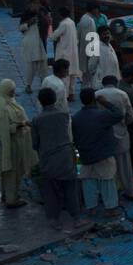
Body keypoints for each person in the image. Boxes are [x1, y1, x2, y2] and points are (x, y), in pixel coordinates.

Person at [0, 79, 35, 208]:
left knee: (6, 171)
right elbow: (7, 129)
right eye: (12, 91)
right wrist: (21, 124)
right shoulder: (4, 107)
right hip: (11, 144)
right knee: (12, 172)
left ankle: (5, 195)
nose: (13, 93)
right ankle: (11, 199)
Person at [30, 86, 80, 228]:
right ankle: (76, 218)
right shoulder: (64, 115)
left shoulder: (37, 120)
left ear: (40, 101)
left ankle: (54, 219)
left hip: (48, 159)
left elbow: (35, 144)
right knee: (71, 188)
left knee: (50, 191)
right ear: (55, 99)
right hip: (66, 157)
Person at [72, 88, 124, 215]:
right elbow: (119, 114)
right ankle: (110, 208)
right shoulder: (101, 115)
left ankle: (91, 208)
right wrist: (106, 103)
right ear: (94, 99)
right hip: (103, 153)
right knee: (107, 180)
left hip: (84, 154)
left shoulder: (76, 117)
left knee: (88, 181)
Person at [95, 74, 133, 200]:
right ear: (115, 83)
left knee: (105, 167)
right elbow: (130, 116)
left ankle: (108, 194)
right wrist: (124, 124)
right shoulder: (122, 94)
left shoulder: (96, 94)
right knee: (124, 165)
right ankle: (129, 191)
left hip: (103, 134)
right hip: (121, 132)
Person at [50, 8, 81, 99]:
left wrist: (56, 38)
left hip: (65, 53)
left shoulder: (63, 24)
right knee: (73, 75)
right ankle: (71, 94)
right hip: (73, 52)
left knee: (65, 76)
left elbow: (53, 36)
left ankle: (66, 95)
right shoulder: (72, 22)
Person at [20, 12, 48, 92]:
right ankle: (28, 85)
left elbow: (46, 24)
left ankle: (44, 84)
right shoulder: (27, 15)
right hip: (31, 45)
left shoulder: (42, 13)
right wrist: (29, 22)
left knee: (43, 66)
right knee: (31, 67)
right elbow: (21, 28)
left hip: (40, 44)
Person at [77, 3, 100, 82]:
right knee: (88, 76)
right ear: (93, 9)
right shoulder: (89, 20)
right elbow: (89, 38)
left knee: (87, 75)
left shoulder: (84, 18)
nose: (98, 11)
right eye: (97, 9)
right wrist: (92, 53)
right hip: (88, 52)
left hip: (85, 50)